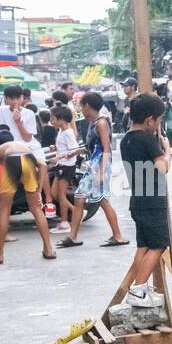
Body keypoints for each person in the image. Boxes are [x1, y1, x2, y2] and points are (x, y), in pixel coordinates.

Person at [119, 93, 172, 306]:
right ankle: (139, 290)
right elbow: (161, 168)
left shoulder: (126, 140)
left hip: (138, 200)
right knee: (159, 244)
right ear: (150, 120)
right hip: (152, 201)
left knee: (144, 245)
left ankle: (138, 287)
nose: (158, 124)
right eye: (158, 120)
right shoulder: (147, 140)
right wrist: (166, 151)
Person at [0, 129, 57, 265]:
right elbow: (43, 165)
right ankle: (48, 249)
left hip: (12, 160)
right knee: (36, 208)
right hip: (28, 160)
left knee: (4, 209)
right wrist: (39, 191)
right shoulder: (23, 146)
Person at [69, 91, 127, 248]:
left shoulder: (101, 123)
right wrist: (77, 151)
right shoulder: (94, 122)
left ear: (87, 106)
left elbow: (106, 148)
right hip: (94, 164)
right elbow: (95, 147)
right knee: (80, 197)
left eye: (81, 106)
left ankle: (118, 235)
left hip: (99, 165)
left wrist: (101, 171)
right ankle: (72, 236)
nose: (81, 109)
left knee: (101, 200)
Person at [49, 105, 81, 236]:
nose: (52, 121)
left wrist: (60, 156)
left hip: (66, 166)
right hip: (61, 165)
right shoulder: (61, 130)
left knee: (61, 195)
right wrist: (55, 148)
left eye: (54, 119)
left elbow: (75, 150)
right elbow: (63, 147)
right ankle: (76, 211)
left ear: (61, 119)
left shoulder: (68, 132)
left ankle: (65, 222)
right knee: (54, 193)